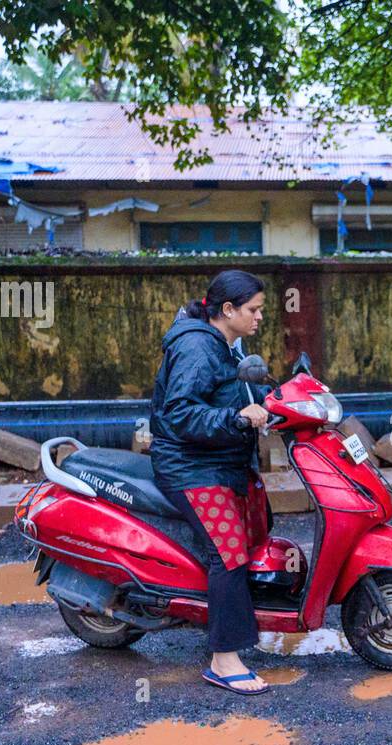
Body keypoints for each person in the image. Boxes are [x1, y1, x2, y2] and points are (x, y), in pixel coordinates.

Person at [149, 269, 273, 695]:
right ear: (228, 310)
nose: (259, 318)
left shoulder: (225, 344)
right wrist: (236, 419)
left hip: (218, 461)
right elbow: (180, 413)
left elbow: (232, 392)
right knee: (229, 553)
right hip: (189, 466)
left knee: (254, 533)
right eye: (253, 310)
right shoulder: (198, 347)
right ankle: (224, 660)